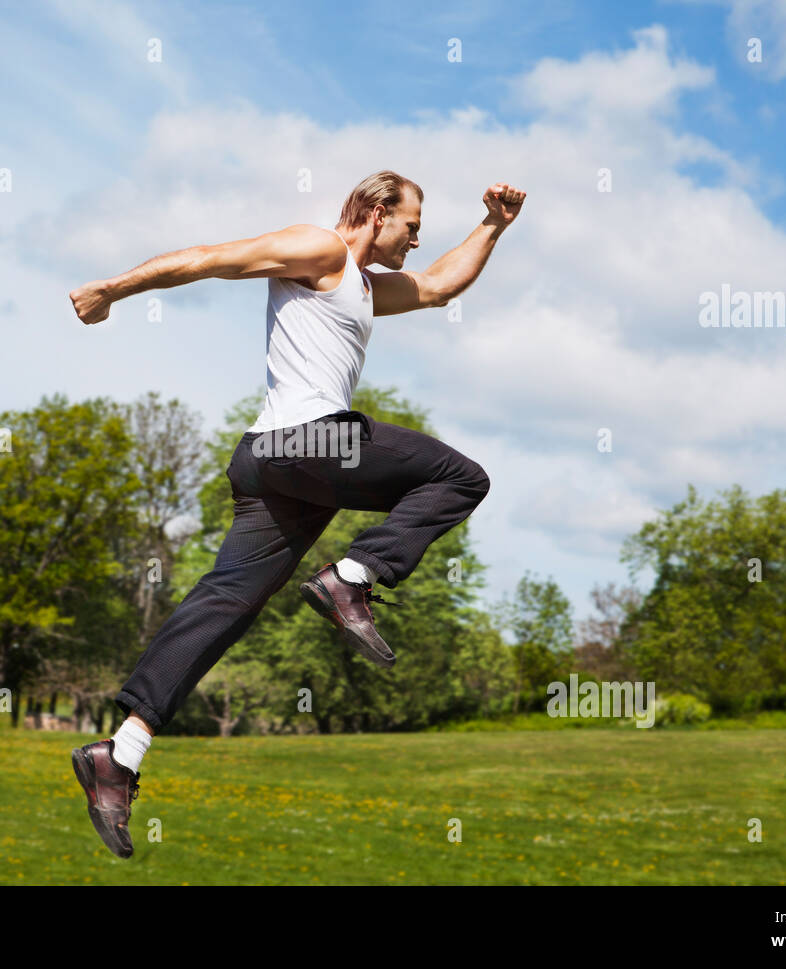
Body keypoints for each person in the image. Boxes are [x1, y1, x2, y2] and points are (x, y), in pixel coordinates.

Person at [67, 170, 525, 857]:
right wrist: (111, 289)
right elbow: (206, 258)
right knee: (461, 476)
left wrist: (493, 225)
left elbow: (437, 287)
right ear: (376, 211)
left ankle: (121, 751)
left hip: (279, 468)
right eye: (411, 223)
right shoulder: (320, 249)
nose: (416, 237)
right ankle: (352, 577)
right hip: (306, 442)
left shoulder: (365, 287)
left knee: (225, 602)